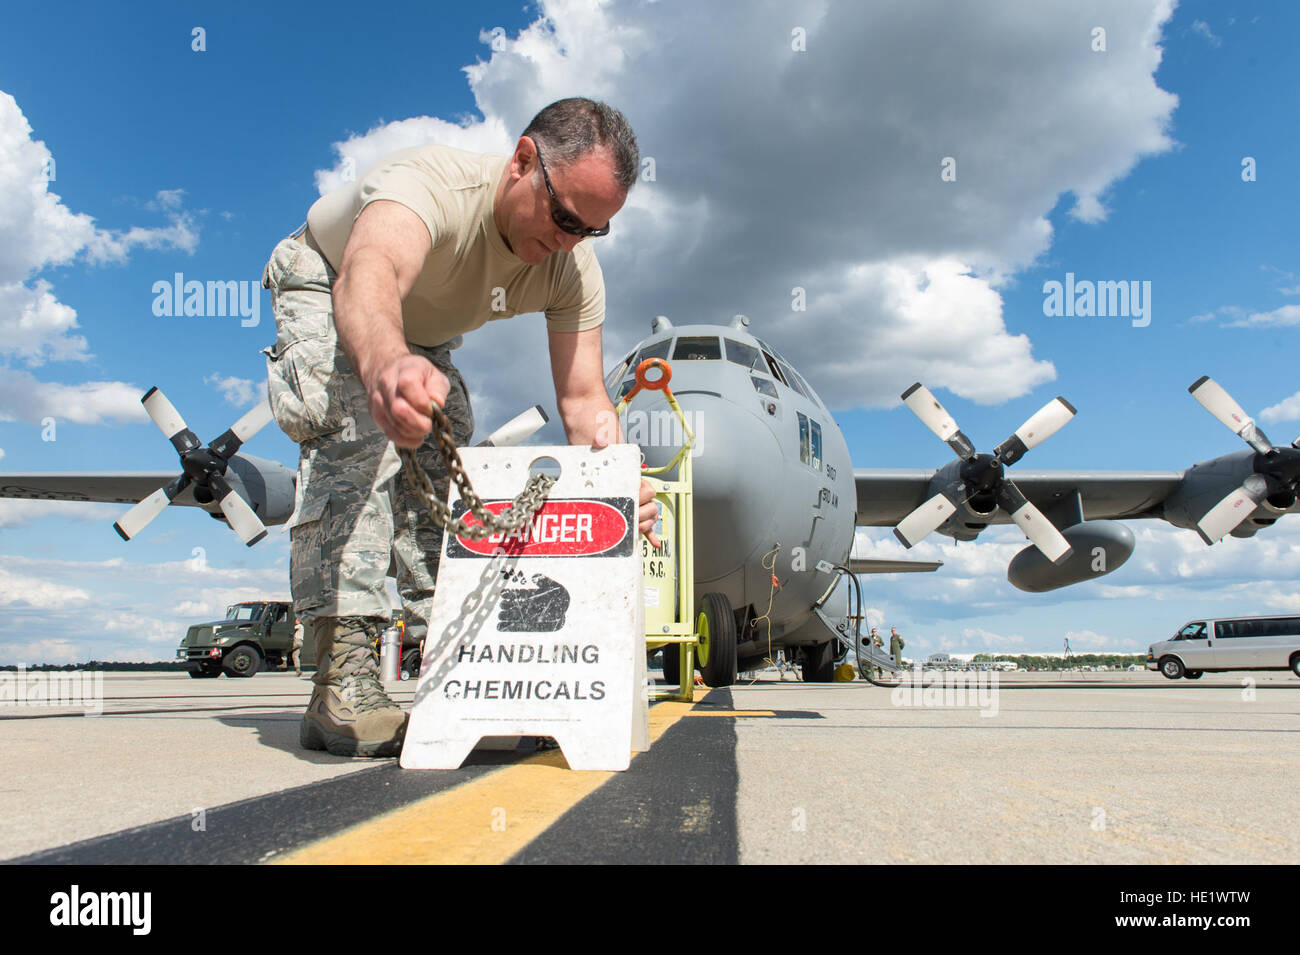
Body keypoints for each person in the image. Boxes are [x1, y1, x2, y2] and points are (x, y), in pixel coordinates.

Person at [262, 98, 657, 758]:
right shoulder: (433, 185)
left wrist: (615, 482)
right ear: (523, 162)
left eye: (592, 230)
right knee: (362, 426)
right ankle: (342, 682)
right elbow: (372, 271)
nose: (568, 242)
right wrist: (387, 364)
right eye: (564, 218)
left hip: (422, 332)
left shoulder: (570, 268)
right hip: (331, 282)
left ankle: (459, 671)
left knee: (449, 479)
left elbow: (586, 400)